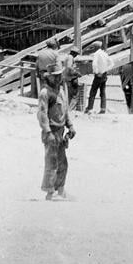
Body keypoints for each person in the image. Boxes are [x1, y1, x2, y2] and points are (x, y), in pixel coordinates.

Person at [37, 61, 76, 201]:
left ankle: (60, 189)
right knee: (51, 163)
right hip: (51, 133)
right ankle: (50, 192)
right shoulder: (45, 93)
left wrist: (70, 126)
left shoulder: (61, 91)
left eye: (60, 75)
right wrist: (48, 132)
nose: (58, 78)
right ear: (49, 77)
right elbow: (42, 114)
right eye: (56, 76)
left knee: (63, 163)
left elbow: (65, 111)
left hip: (60, 132)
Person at [85, 40, 113, 114]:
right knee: (102, 92)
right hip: (104, 74)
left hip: (98, 75)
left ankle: (90, 108)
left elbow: (94, 64)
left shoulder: (96, 54)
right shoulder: (104, 53)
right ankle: (103, 108)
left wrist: (97, 72)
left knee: (93, 92)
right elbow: (111, 63)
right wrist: (104, 70)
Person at [61, 46, 82, 111]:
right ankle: (70, 109)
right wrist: (77, 73)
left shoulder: (67, 57)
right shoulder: (70, 57)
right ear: (74, 53)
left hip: (67, 78)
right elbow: (69, 68)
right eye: (76, 54)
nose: (76, 56)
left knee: (68, 94)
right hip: (71, 79)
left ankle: (67, 108)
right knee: (75, 95)